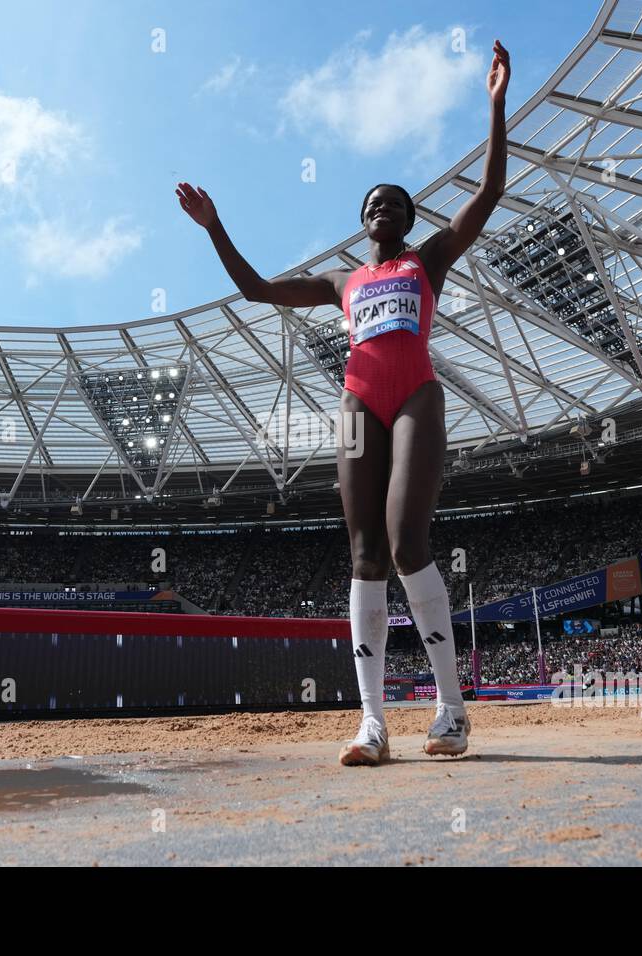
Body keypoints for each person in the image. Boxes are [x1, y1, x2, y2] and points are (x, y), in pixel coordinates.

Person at [178, 40, 511, 766]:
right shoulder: (340, 284)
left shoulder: (428, 261)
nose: (380, 209)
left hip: (416, 394)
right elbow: (258, 291)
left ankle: (451, 711)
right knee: (362, 554)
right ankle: (372, 723)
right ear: (363, 223)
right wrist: (214, 229)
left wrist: (494, 105)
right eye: (370, 205)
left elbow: (487, 196)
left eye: (392, 202)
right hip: (360, 399)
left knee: (406, 543)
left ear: (408, 217)